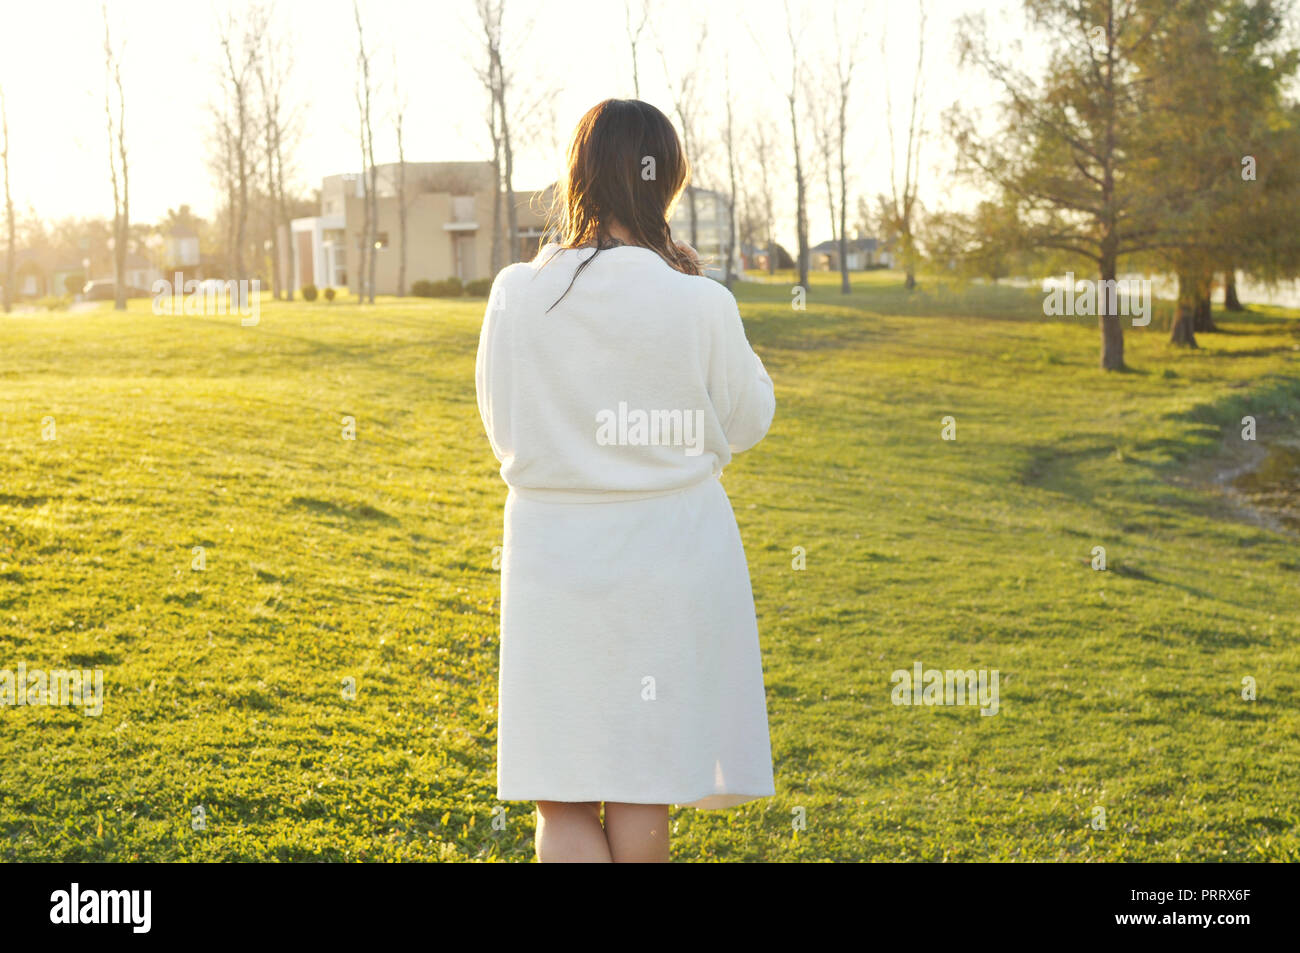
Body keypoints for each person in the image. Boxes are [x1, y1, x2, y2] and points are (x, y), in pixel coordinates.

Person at [475, 98, 776, 863]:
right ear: (665, 183)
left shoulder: (517, 292)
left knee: (563, 790)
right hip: (668, 561)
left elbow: (504, 428)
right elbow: (748, 420)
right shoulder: (700, 301)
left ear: (578, 176)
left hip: (553, 563)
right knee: (643, 782)